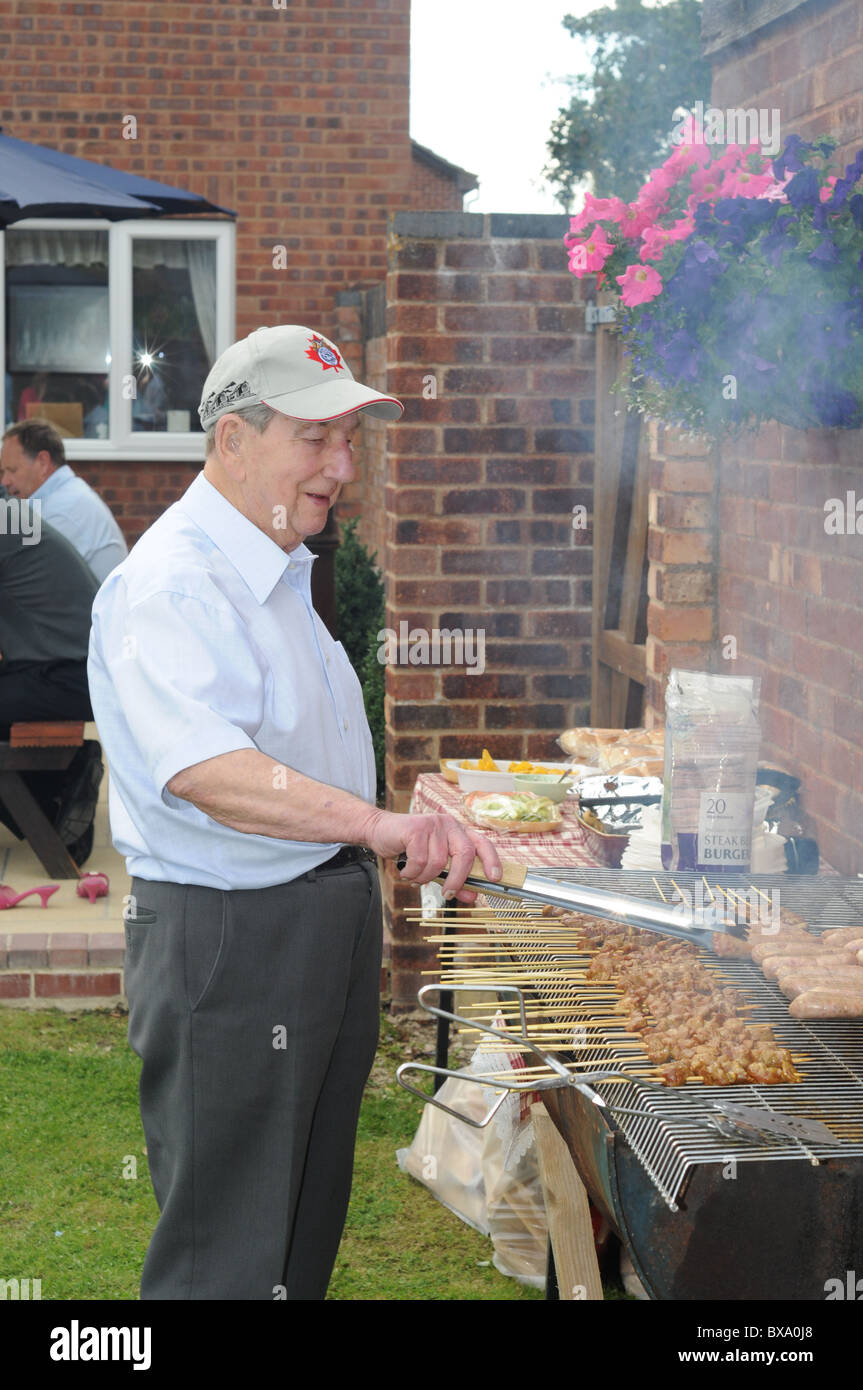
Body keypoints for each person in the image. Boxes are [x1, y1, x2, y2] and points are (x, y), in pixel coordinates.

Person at [87, 323, 501, 1301]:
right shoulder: (174, 580)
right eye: (315, 439)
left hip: (313, 922)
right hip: (232, 943)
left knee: (298, 1226)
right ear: (233, 440)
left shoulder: (273, 563)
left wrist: (395, 812)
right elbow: (205, 768)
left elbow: (286, 749)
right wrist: (371, 827)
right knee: (227, 1251)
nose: (342, 467)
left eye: (348, 441)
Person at [0, 500, 104, 864]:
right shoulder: (9, 515)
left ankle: (53, 803)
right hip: (71, 669)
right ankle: (58, 793)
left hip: (68, 675)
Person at [0, 419, 128, 583]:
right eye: (2, 472)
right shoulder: (62, 496)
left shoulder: (62, 510)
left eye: (12, 470)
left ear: (43, 463)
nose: (5, 482)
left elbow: (26, 580)